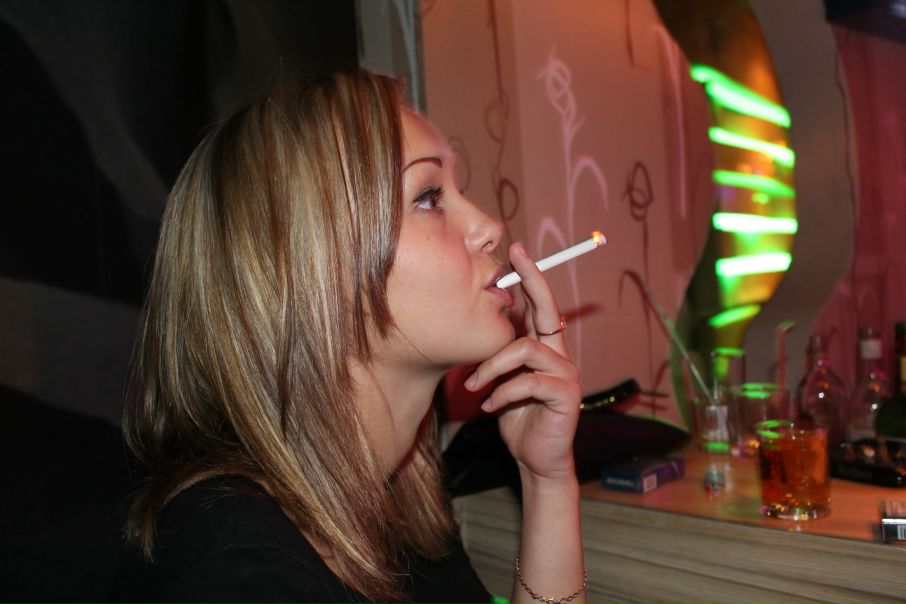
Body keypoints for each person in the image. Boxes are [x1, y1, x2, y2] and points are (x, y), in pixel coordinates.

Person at [120, 69, 585, 603]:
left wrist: (546, 482)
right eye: (429, 196)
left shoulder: (398, 512)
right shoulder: (235, 574)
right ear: (308, 264)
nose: (489, 227)